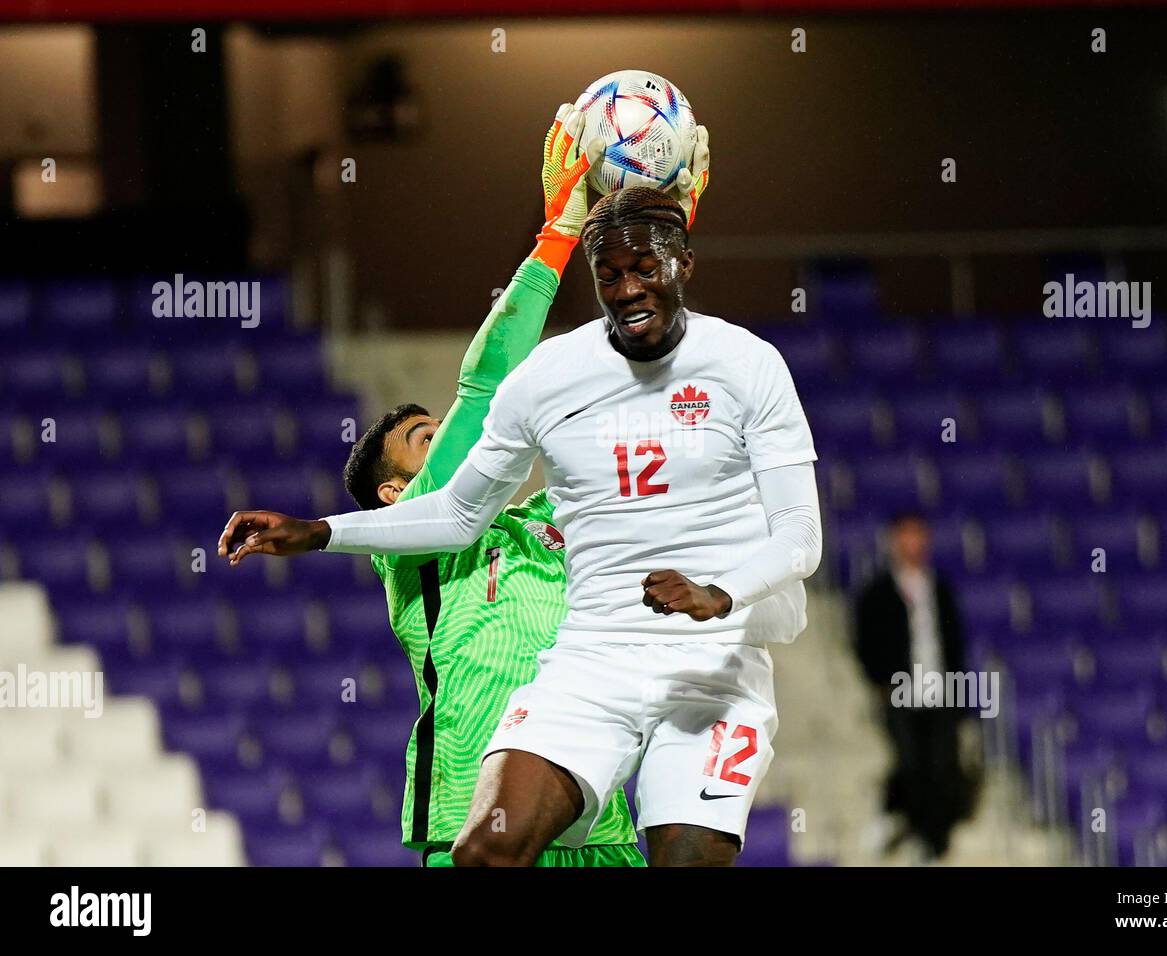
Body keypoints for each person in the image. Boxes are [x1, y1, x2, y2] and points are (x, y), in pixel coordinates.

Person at [219, 178, 822, 867]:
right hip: (575, 696)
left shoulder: (557, 511)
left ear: (682, 263)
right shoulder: (525, 412)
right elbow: (456, 486)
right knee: (488, 852)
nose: (625, 288)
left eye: (645, 267)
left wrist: (724, 589)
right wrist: (322, 532)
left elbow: (791, 532)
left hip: (684, 708)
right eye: (610, 274)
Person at [335, 104, 642, 866]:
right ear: (392, 497)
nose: (455, 448)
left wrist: (658, 239)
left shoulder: (551, 516)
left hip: (596, 826)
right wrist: (558, 235)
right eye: (427, 443)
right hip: (473, 826)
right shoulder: (411, 550)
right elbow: (488, 392)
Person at [854, 511, 971, 861]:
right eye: (905, 536)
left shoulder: (941, 588)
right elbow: (864, 642)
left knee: (942, 767)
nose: (912, 544)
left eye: (918, 536)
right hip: (899, 692)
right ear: (893, 541)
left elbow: (955, 641)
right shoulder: (877, 592)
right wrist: (880, 682)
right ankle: (902, 819)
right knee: (909, 763)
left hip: (941, 691)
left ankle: (934, 843)